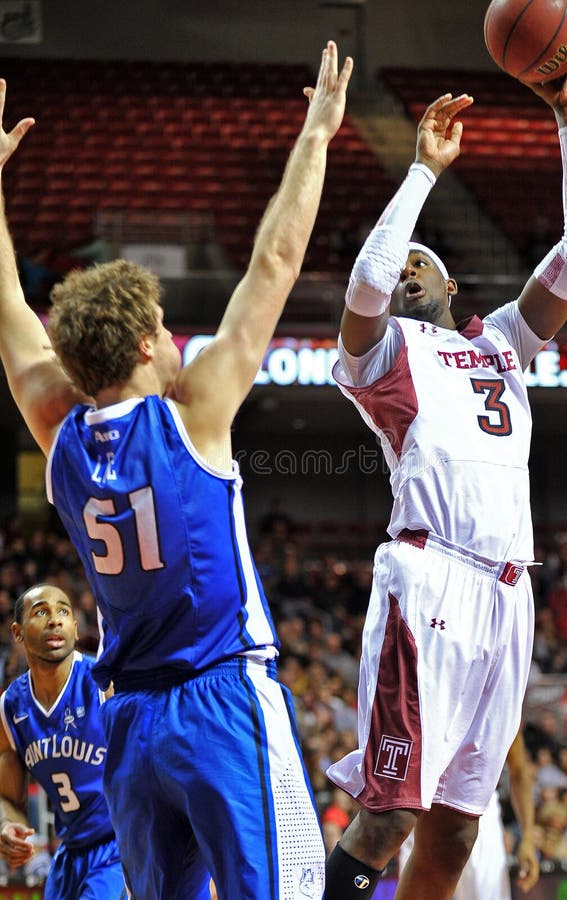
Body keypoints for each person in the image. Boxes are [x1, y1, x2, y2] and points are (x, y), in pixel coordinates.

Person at [0, 42, 352, 899]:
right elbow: (273, 265)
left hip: (128, 723)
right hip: (221, 698)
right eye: (162, 323)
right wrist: (316, 138)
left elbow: (7, 307)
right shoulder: (193, 414)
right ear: (150, 344)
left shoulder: (61, 432)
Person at [324, 26, 567, 900]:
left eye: (424, 265)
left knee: (453, 833)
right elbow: (366, 286)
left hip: (508, 593)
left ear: (456, 290)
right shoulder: (387, 356)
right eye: (403, 265)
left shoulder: (503, 343)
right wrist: (421, 173)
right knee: (388, 818)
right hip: (430, 579)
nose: (407, 272)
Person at [0, 584, 126, 899]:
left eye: (64, 611)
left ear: (74, 627)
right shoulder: (10, 707)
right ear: (18, 632)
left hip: (120, 846)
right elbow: (8, 798)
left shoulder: (104, 684)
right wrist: (6, 825)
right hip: (70, 851)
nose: (55, 619)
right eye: (41, 611)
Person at [399, 728, 540, 899]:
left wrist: (528, 839)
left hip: (478, 812)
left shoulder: (500, 702)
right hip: (421, 807)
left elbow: (519, 771)